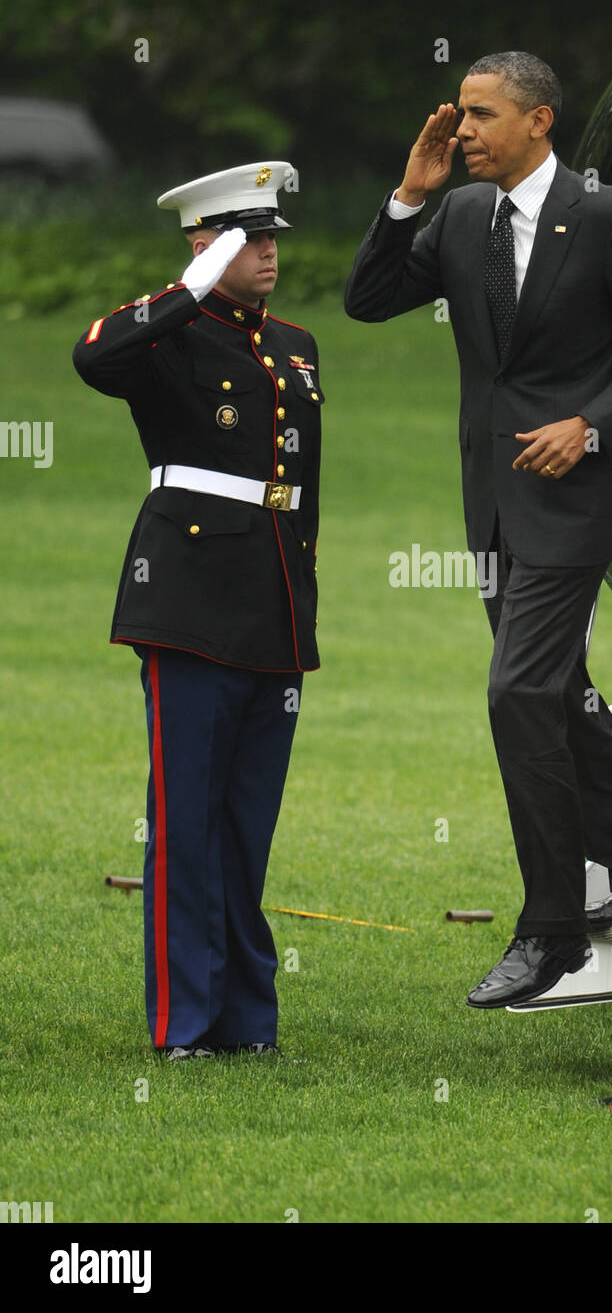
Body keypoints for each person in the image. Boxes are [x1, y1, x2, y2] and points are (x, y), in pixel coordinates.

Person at [345, 52, 612, 1009]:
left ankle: (550, 929)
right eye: (458, 115)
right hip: (494, 502)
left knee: (518, 694)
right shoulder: (460, 215)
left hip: (575, 500)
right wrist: (407, 197)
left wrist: (592, 424)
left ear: (539, 122)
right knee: (556, 695)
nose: (460, 131)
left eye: (479, 116)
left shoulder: (607, 217)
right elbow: (367, 301)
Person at [73, 162, 322, 1056]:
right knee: (186, 824)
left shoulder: (296, 344)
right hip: (187, 604)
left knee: (247, 824)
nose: (266, 254)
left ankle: (248, 1020)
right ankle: (185, 1020)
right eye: (246, 239)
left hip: (274, 610)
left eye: (269, 239)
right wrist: (188, 288)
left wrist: (305, 596)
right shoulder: (167, 336)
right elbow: (91, 356)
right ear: (203, 242)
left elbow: (301, 487)